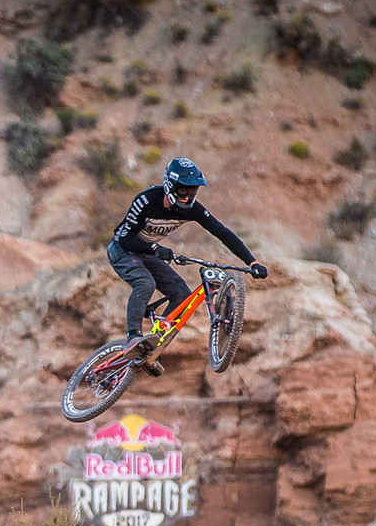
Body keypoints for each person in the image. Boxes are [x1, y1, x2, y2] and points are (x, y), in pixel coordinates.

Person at [108, 157, 269, 375]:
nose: (187, 196)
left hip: (148, 252)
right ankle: (133, 337)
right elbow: (125, 239)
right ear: (169, 186)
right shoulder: (146, 201)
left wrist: (252, 261)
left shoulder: (192, 209)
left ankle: (151, 348)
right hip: (123, 250)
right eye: (182, 190)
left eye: (192, 192)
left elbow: (221, 232)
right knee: (145, 282)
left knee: (182, 294)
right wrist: (156, 249)